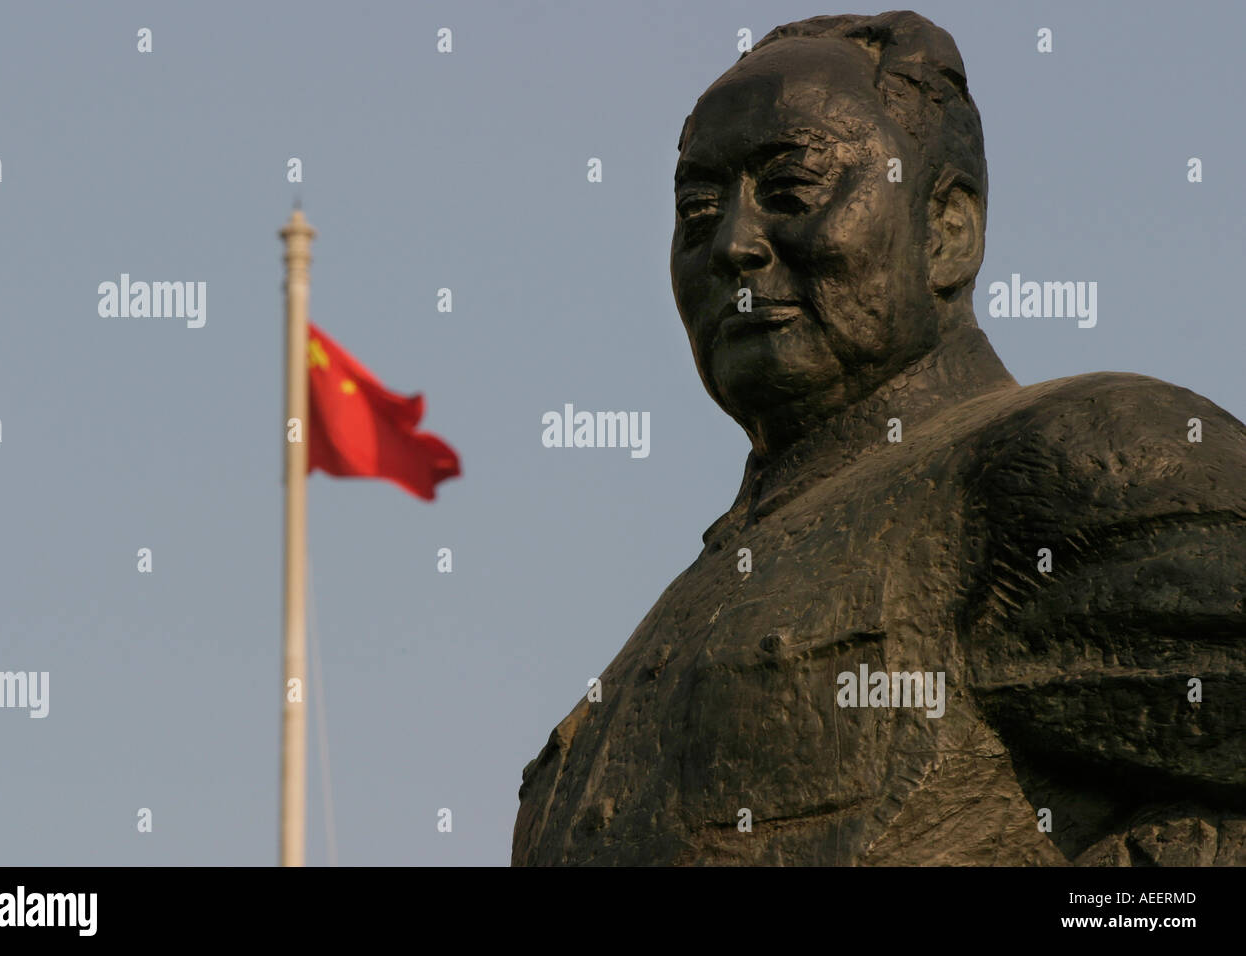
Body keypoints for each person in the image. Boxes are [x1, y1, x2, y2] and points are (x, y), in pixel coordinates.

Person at [513, 10, 1246, 866]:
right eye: (697, 210)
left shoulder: (1080, 451)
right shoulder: (658, 634)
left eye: (791, 192)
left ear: (947, 229)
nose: (735, 245)